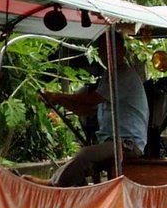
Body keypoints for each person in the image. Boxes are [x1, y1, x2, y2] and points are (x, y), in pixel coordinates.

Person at [43, 32, 148, 186]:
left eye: (112, 49)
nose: (107, 54)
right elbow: (87, 110)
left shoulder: (124, 75)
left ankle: (53, 186)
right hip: (110, 142)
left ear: (123, 51)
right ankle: (67, 189)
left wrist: (57, 96)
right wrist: (57, 100)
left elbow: (92, 99)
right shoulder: (108, 75)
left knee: (85, 154)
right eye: (103, 50)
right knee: (81, 161)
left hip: (128, 144)